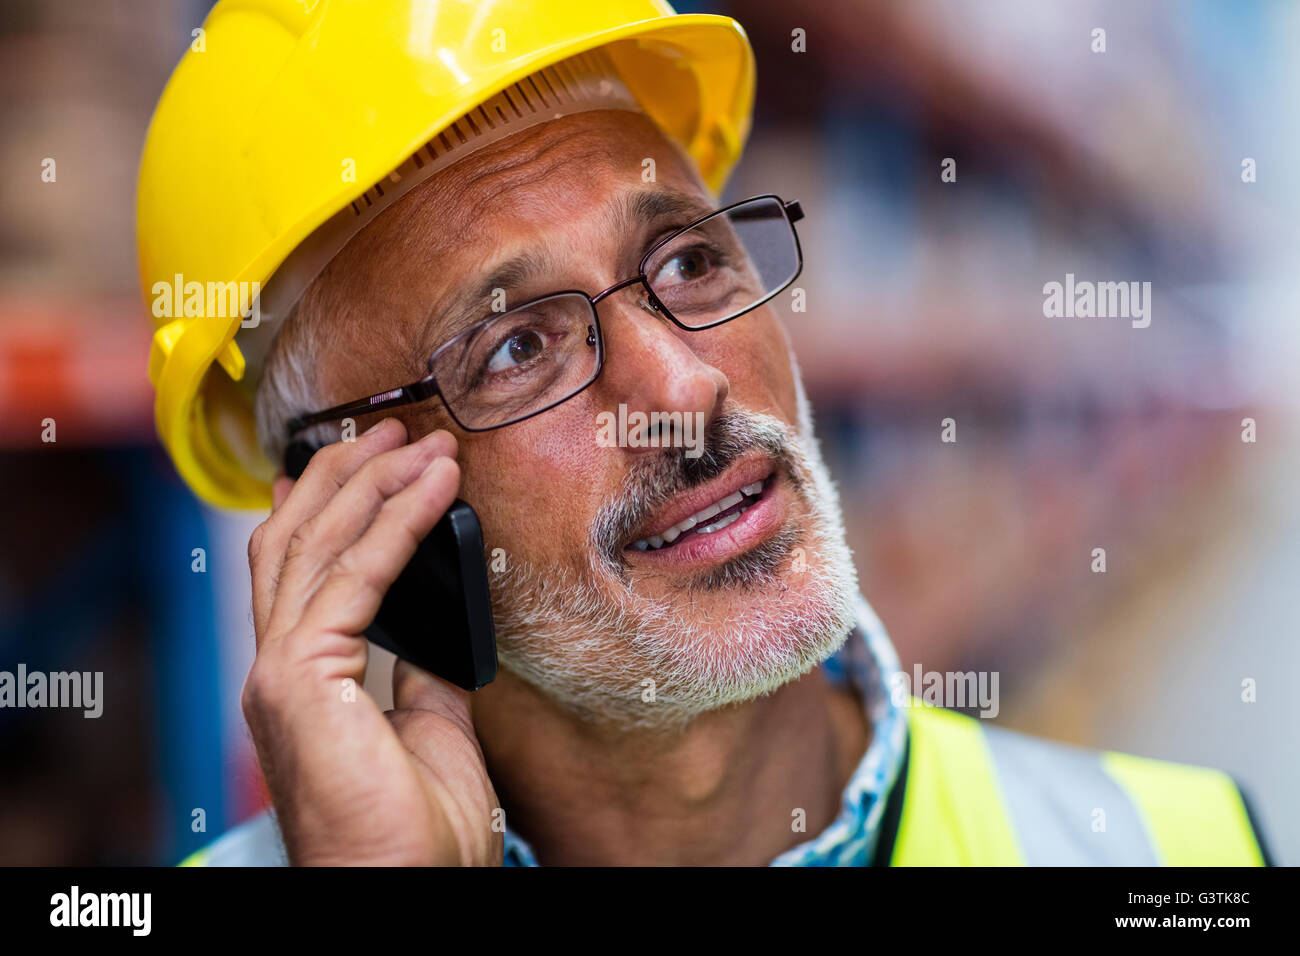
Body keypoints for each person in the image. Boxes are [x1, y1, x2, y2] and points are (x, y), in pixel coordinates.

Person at [139, 0, 1271, 866]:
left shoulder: (1169, 850)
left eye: (688, 261)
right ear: (354, 505)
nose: (682, 388)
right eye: (516, 347)